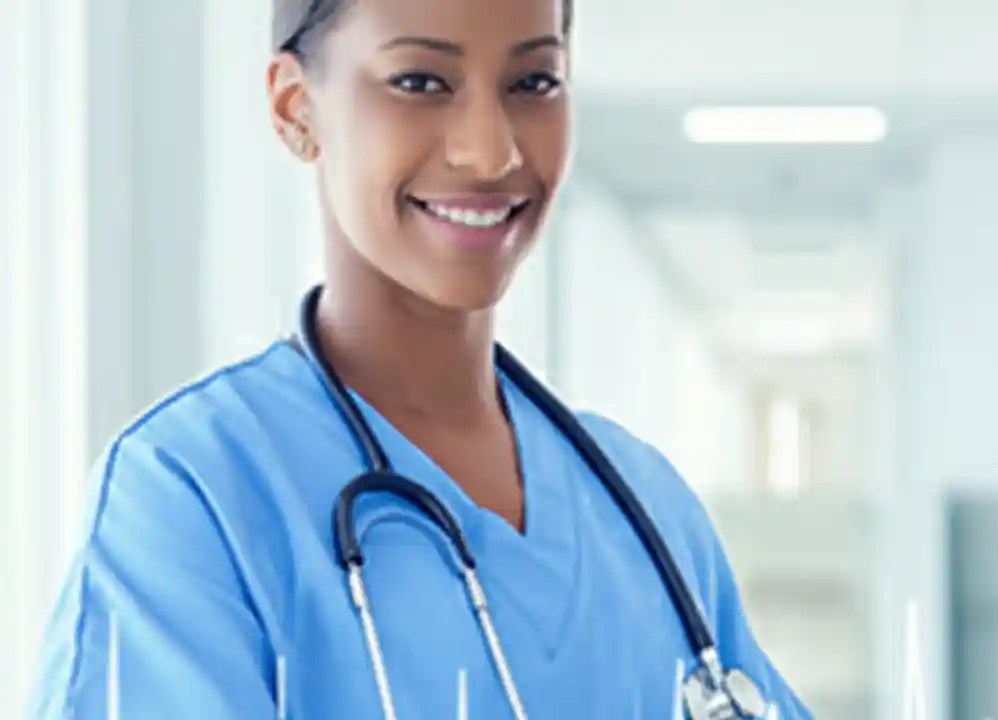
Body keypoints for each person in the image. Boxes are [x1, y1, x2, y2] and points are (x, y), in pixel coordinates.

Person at [29, 0, 812, 717]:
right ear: (295, 107)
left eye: (534, 81)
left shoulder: (646, 508)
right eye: (420, 81)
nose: (489, 150)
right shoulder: (193, 492)